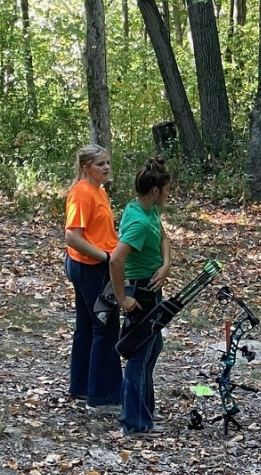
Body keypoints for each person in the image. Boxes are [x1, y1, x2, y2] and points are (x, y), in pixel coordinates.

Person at [110, 156, 173, 435]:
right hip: (141, 292)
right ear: (156, 191)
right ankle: (134, 422)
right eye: (167, 188)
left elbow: (164, 238)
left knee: (152, 348)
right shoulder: (138, 222)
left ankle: (143, 414)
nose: (169, 194)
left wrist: (166, 264)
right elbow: (116, 260)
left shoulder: (148, 211)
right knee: (140, 353)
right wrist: (122, 297)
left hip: (152, 286)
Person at [63, 144, 122, 410]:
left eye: (108, 163)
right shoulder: (82, 193)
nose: (106, 168)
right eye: (100, 164)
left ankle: (83, 387)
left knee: (87, 326)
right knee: (105, 327)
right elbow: (72, 236)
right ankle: (102, 396)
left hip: (96, 264)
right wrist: (106, 258)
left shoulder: (99, 190)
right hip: (89, 267)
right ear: (86, 167)